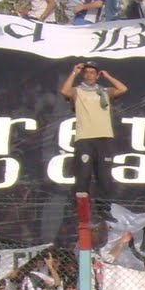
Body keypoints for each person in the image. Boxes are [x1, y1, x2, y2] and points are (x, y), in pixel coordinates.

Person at [60, 60, 127, 200]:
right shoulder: (77, 91)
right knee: (83, 175)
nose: (89, 75)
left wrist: (107, 76)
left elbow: (123, 89)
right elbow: (64, 91)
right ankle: (81, 212)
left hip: (104, 138)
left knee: (104, 178)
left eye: (92, 73)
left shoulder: (104, 91)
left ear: (97, 76)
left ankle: (104, 212)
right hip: (84, 138)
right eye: (86, 73)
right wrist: (74, 72)